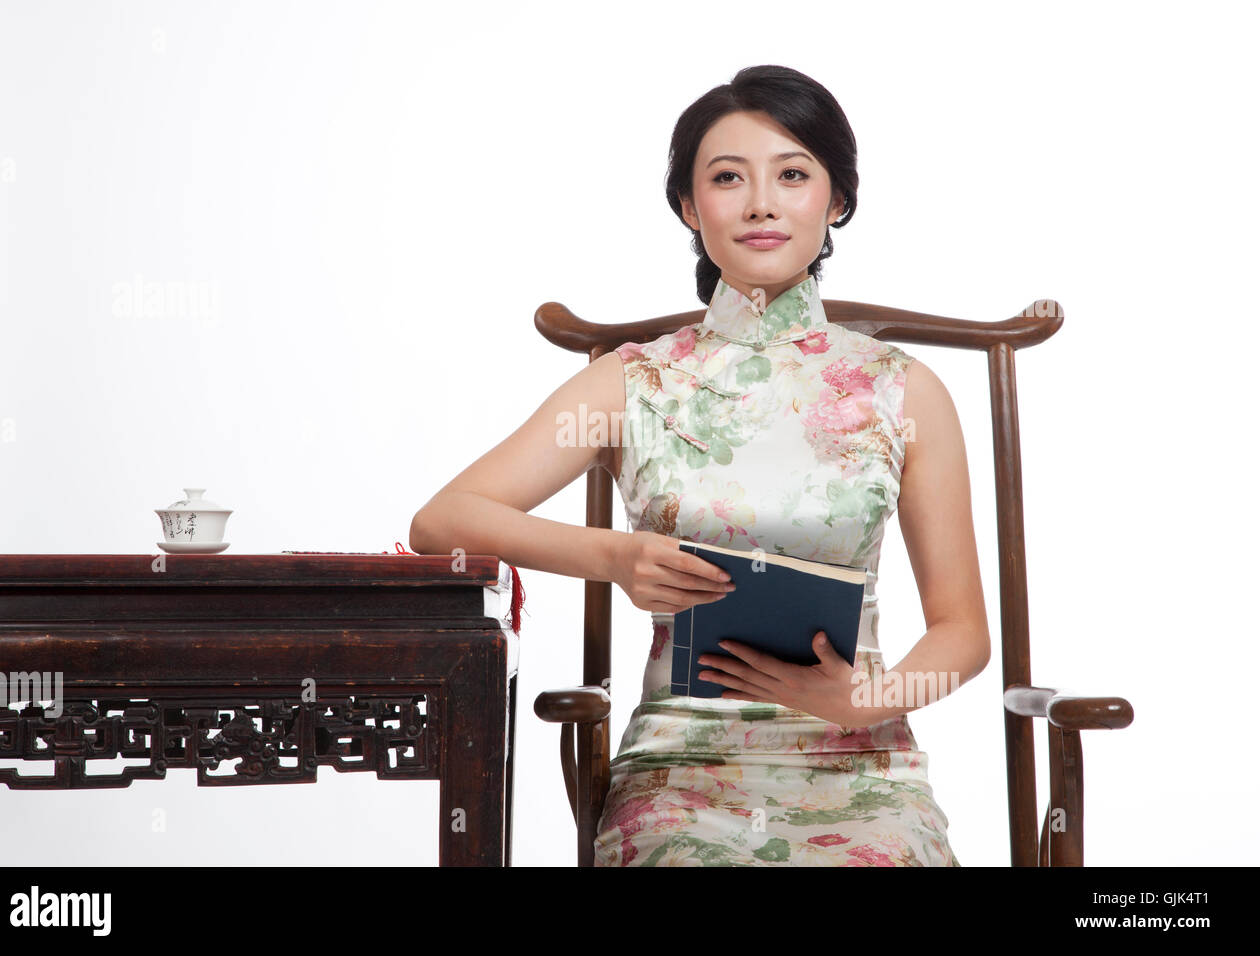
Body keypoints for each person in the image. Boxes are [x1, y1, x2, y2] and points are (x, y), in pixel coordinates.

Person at [410, 64, 991, 866]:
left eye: (792, 174)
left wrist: (871, 698)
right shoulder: (635, 380)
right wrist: (614, 556)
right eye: (728, 178)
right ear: (689, 206)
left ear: (837, 201)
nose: (761, 202)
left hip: (860, 762)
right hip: (681, 767)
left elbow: (963, 630)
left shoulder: (902, 390)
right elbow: (441, 520)